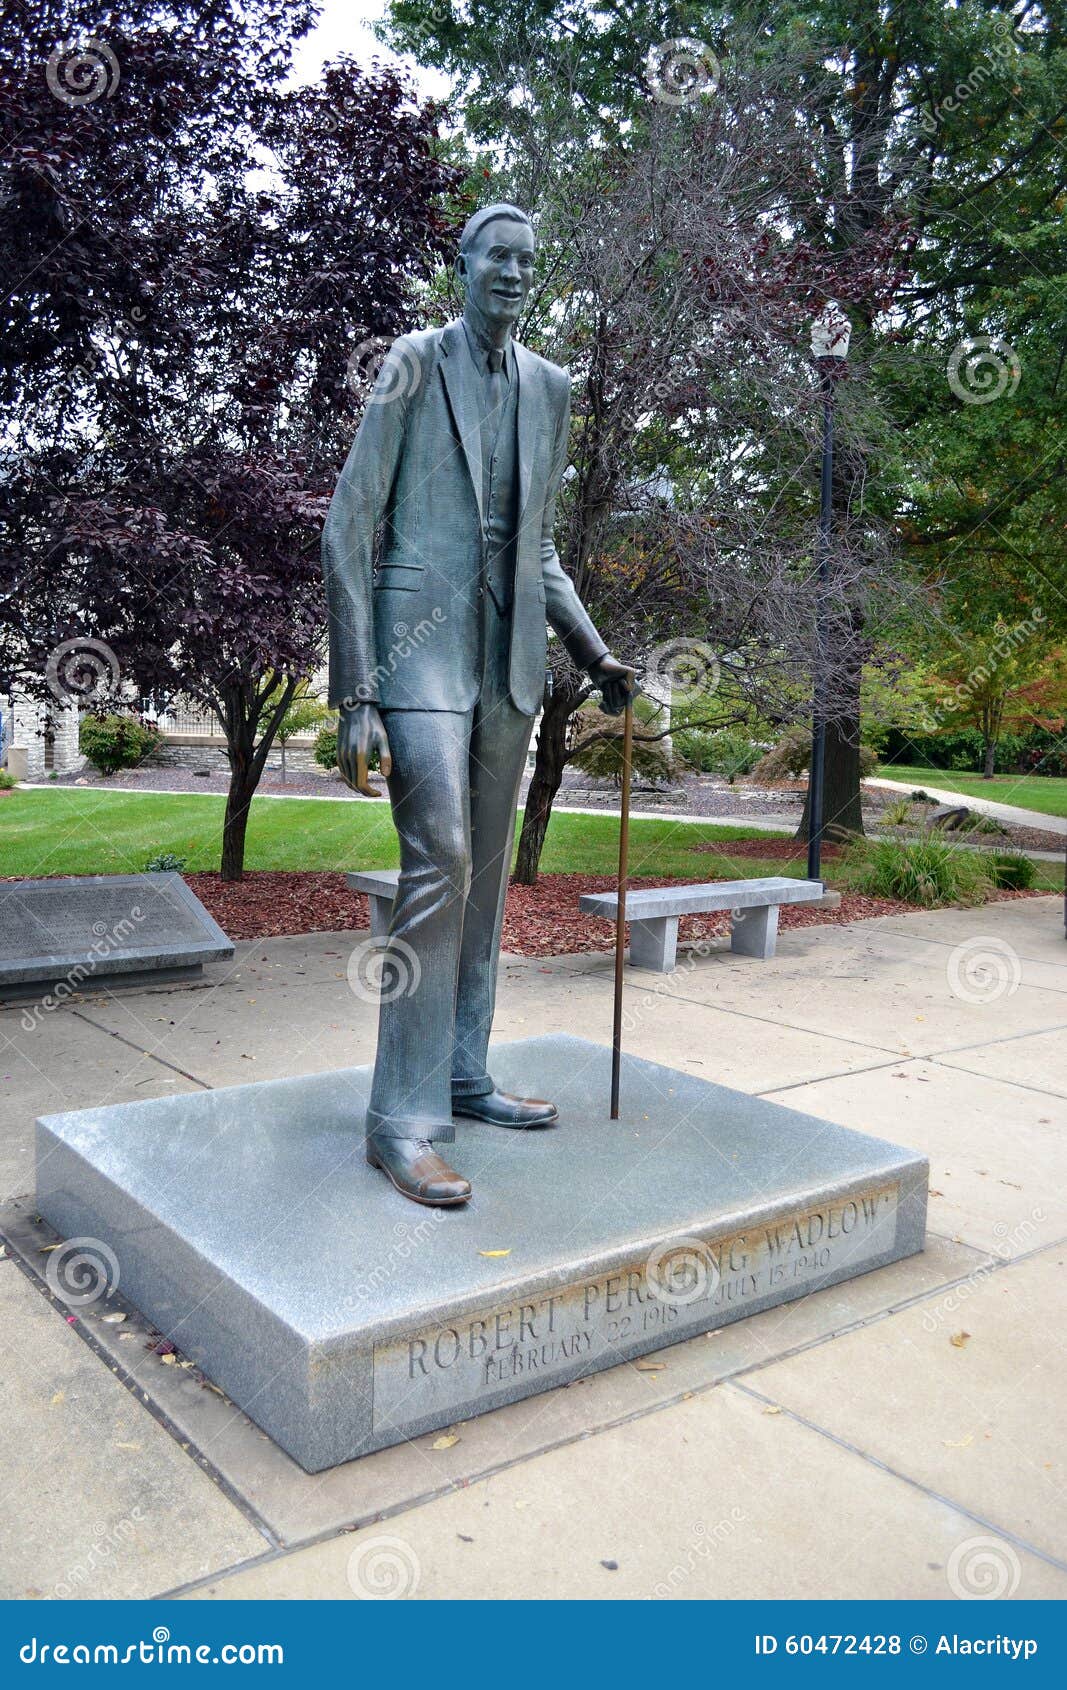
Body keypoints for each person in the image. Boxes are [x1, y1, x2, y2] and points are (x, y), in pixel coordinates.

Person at [321, 203, 633, 1207]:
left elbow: (536, 544)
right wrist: (356, 688)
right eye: (494, 255)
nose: (510, 271)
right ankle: (400, 1117)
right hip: (417, 655)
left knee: (487, 880)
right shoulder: (413, 363)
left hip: (506, 667)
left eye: (525, 261)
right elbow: (348, 525)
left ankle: (463, 1074)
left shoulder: (548, 388)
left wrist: (592, 650)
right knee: (441, 857)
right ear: (460, 264)